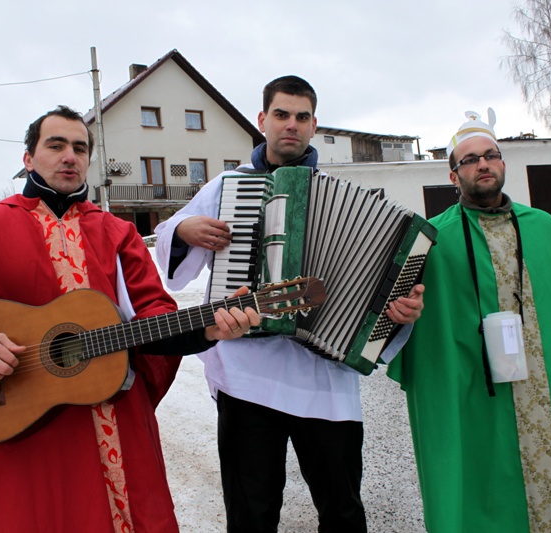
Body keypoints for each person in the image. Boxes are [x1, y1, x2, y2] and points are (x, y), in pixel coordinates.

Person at [0, 105, 259, 533]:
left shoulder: (117, 233)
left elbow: (152, 316)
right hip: (24, 429)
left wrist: (205, 329)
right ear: (28, 158)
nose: (70, 156)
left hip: (115, 417)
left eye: (80, 148)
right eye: (56, 145)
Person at [154, 75, 424, 533]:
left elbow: (382, 286)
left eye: (302, 116)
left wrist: (400, 313)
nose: (291, 125)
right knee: (252, 514)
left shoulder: (344, 196)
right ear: (263, 120)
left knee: (342, 512)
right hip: (246, 377)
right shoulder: (228, 186)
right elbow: (169, 240)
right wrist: (182, 230)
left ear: (314, 125)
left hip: (325, 378)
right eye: (281, 114)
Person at [386, 109, 551, 532]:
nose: (483, 164)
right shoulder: (430, 239)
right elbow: (401, 318)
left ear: (503, 163)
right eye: (470, 159)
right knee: (477, 476)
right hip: (469, 389)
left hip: (542, 385)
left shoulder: (544, 229)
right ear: (453, 176)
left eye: (491, 155)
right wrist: (402, 314)